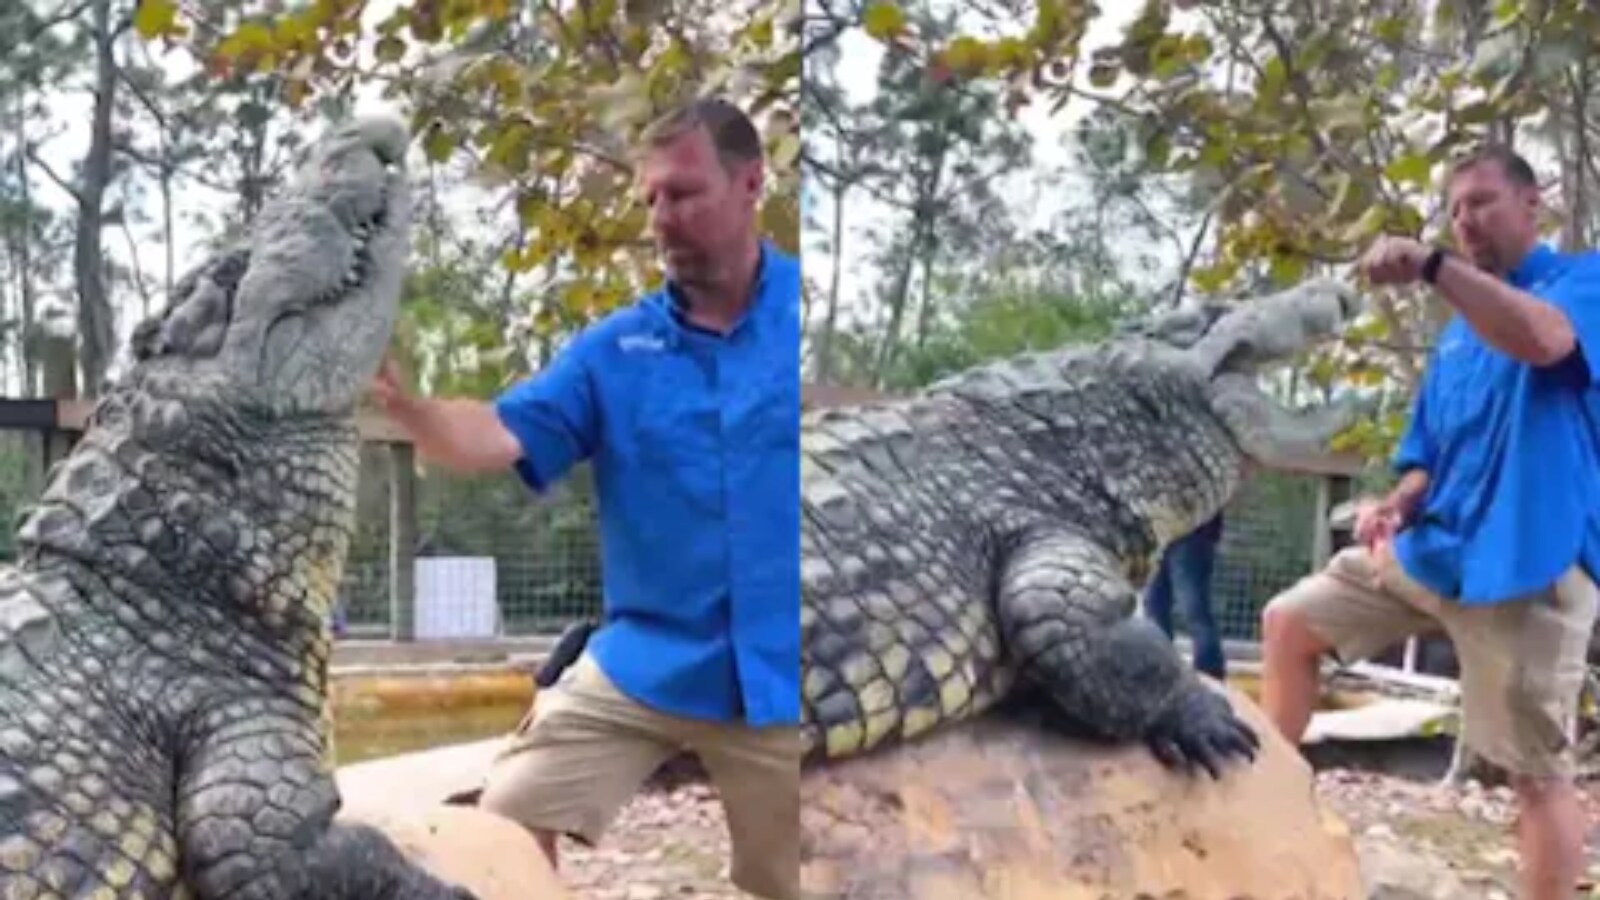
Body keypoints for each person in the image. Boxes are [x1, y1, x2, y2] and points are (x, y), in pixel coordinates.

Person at [368, 97, 801, 900]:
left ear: (750, 185)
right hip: (645, 666)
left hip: (788, 672)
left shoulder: (804, 317)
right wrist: (410, 409)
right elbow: (494, 436)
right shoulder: (614, 351)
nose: (660, 219)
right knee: (494, 834)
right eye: (650, 200)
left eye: (683, 193)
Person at [1258, 145, 1600, 900]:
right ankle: (1263, 820)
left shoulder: (1584, 282)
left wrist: (1436, 266)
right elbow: (1428, 457)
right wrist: (1399, 500)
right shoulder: (1454, 339)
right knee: (1288, 623)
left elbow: (1545, 343)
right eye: (1453, 209)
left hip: (1526, 562)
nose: (1465, 220)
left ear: (1531, 202)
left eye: (1480, 202)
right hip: (1433, 551)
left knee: (1536, 775)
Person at [1144, 512, 1227, 680]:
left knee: (1193, 608)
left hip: (1191, 534)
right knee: (1155, 606)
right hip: (1162, 535)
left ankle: (1209, 674)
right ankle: (1161, 669)